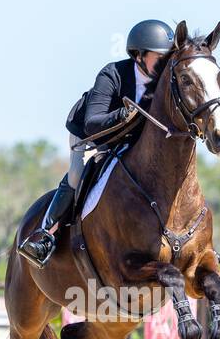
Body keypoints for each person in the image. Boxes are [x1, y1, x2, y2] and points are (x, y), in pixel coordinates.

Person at [17, 19, 175, 267]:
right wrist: (122, 116)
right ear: (140, 55)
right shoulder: (112, 74)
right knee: (78, 175)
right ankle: (45, 235)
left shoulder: (166, 85)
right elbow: (93, 122)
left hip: (129, 140)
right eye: (160, 57)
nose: (165, 64)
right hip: (91, 136)